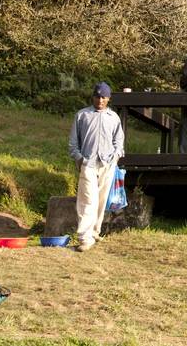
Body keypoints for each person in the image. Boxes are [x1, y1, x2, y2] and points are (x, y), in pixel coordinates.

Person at [68, 82, 124, 252]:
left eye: (103, 97)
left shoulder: (114, 117)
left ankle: (94, 232)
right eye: (97, 96)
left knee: (100, 200)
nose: (100, 100)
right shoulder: (82, 115)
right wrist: (80, 159)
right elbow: (72, 143)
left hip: (107, 164)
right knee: (87, 200)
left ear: (108, 99)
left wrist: (115, 157)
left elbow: (119, 142)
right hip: (88, 164)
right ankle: (84, 237)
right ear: (93, 97)